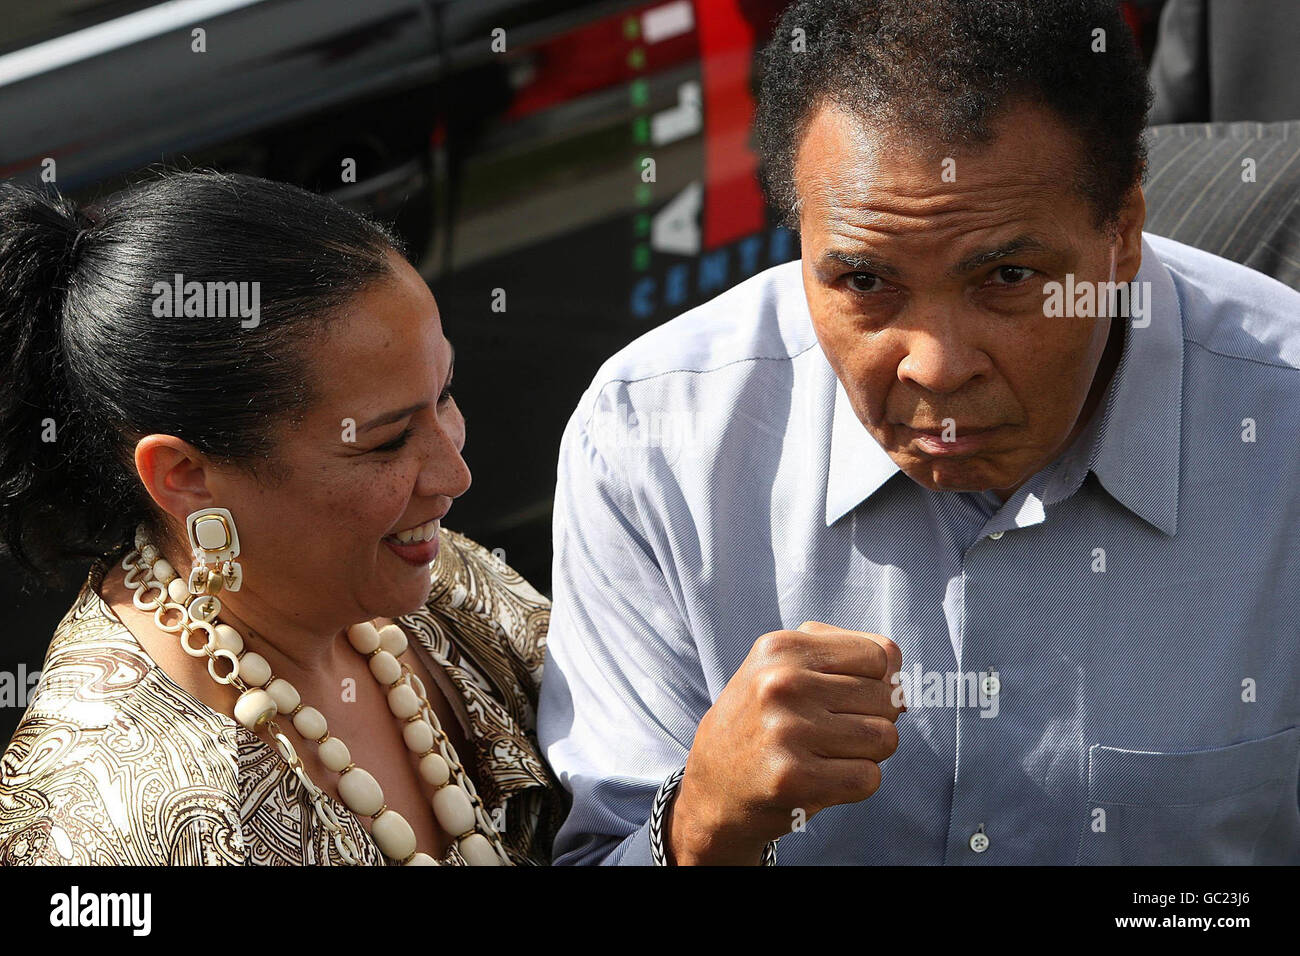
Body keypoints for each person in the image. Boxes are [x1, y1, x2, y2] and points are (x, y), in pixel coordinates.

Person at [538, 0, 1300, 865]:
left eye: (1008, 278)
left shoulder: (1281, 434)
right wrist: (703, 822)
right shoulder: (652, 446)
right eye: (864, 281)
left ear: (1122, 236)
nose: (935, 367)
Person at [0, 171, 561, 865]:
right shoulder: (115, 823)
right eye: (386, 441)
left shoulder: (435, 584)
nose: (454, 476)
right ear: (185, 477)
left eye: (444, 395)